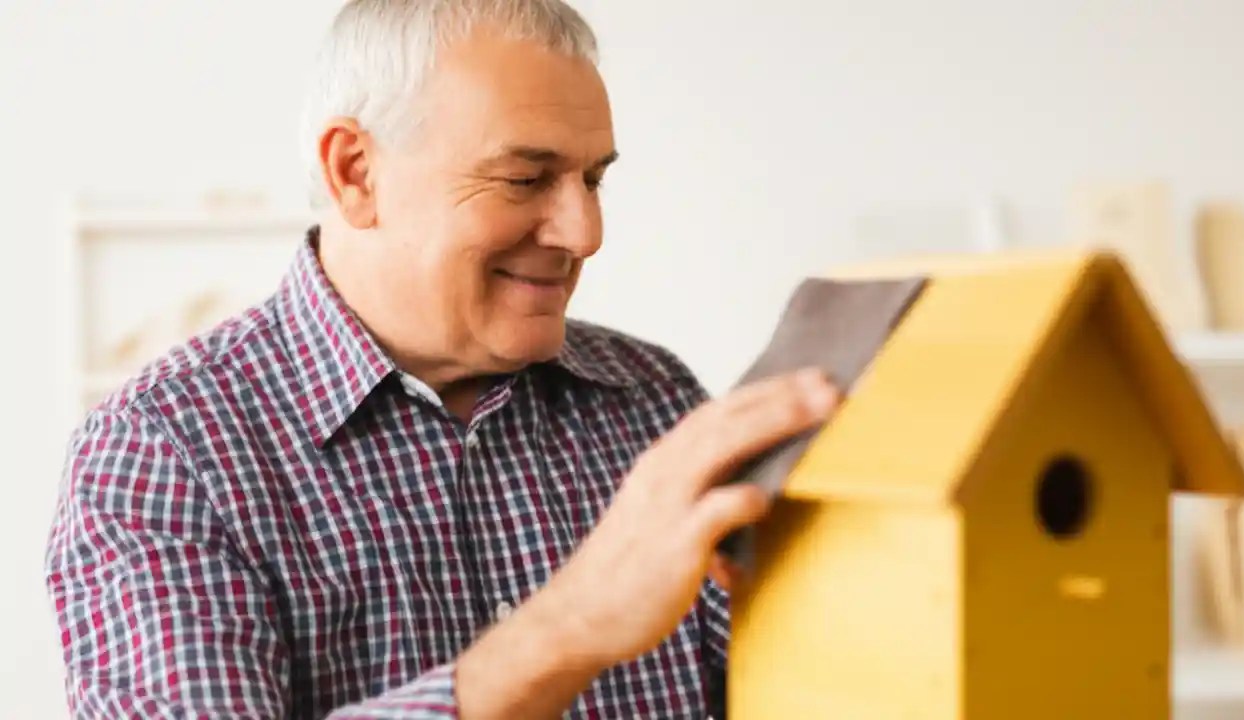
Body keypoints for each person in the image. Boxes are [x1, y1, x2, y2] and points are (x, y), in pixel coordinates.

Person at [44, 1, 841, 718]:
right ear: (355, 172)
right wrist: (573, 625)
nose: (585, 232)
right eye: (526, 178)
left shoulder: (654, 399)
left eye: (593, 179)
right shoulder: (163, 455)